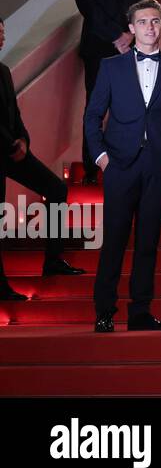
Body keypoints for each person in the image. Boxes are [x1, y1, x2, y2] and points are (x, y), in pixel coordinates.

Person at [85, 0, 161, 333]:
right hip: (119, 165)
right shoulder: (111, 67)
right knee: (114, 240)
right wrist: (101, 158)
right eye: (142, 22)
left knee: (148, 241)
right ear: (131, 28)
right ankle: (104, 311)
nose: (149, 27)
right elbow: (93, 115)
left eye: (155, 21)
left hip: (158, 165)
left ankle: (140, 312)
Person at [0, 16, 85, 302]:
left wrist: (23, 139)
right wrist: (11, 143)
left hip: (14, 151)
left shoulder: (3, 71)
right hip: (6, 149)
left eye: (2, 33)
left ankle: (53, 261)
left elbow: (15, 114)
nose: (1, 38)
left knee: (56, 188)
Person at [73, 0, 147, 185]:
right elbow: (87, 6)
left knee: (128, 106)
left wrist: (130, 35)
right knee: (95, 108)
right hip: (99, 46)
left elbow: (142, 4)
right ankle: (92, 171)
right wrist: (116, 37)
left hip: (130, 45)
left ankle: (125, 163)